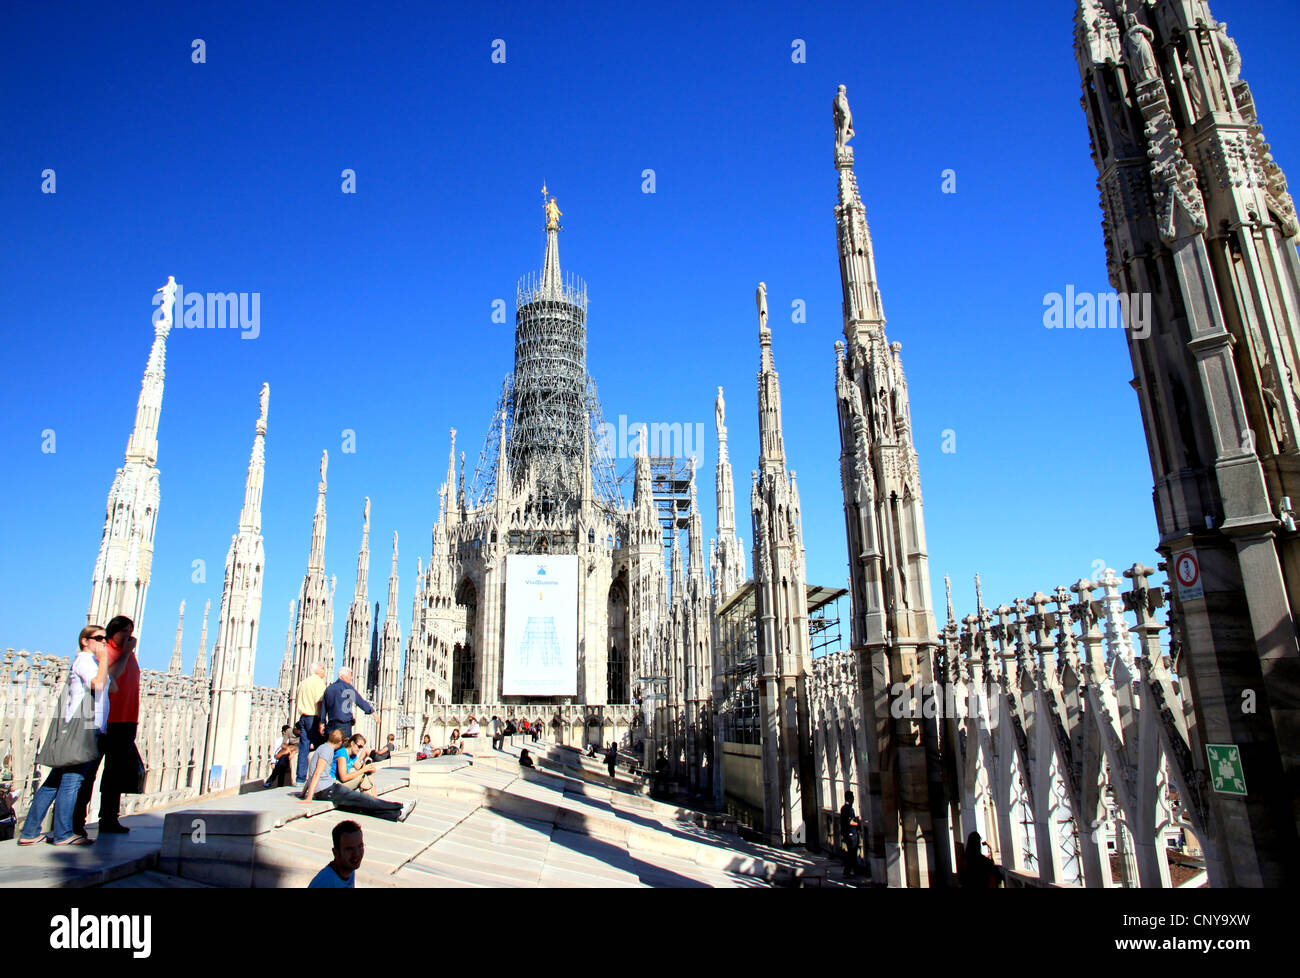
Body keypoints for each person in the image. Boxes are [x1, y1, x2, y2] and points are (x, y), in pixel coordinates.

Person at [20, 625, 107, 846]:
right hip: (82, 729)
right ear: (84, 641)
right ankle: (63, 834)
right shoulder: (86, 661)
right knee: (72, 781)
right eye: (98, 638)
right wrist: (105, 660)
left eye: (105, 639)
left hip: (80, 727)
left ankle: (30, 832)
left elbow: (110, 686)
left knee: (54, 781)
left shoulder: (91, 663)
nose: (103, 642)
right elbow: (98, 685)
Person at [73, 616, 135, 837]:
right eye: (125, 630)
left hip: (127, 719)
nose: (130, 635)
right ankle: (75, 822)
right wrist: (126, 653)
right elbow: (110, 681)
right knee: (87, 772)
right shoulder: (104, 652)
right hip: (105, 721)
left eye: (132, 630)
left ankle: (109, 819)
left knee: (114, 774)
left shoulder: (127, 652)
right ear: (113, 631)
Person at [300, 729, 413, 822]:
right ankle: (400, 807)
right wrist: (309, 797)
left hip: (328, 790)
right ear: (340, 742)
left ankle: (396, 815)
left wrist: (303, 794)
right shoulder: (328, 751)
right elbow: (316, 773)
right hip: (328, 790)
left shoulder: (322, 748)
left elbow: (311, 775)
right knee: (364, 800)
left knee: (359, 806)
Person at [294, 662, 329, 784]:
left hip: (303, 718)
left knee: (303, 749)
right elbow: (320, 702)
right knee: (322, 748)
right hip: (313, 718)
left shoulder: (303, 683)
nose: (325, 671)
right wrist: (322, 721)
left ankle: (300, 779)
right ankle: (319, 777)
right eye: (323, 668)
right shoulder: (318, 683)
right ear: (317, 671)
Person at [309, 819, 364, 888]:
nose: (357, 854)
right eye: (350, 849)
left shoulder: (350, 869)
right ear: (336, 852)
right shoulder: (327, 881)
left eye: (360, 846)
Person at [323, 667, 374, 741]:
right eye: (350, 675)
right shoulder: (347, 687)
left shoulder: (329, 688)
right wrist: (371, 711)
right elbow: (359, 700)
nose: (351, 678)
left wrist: (322, 722)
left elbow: (324, 707)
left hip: (331, 724)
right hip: (344, 725)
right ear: (343, 676)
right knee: (344, 747)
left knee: (331, 746)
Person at [839, 792, 861, 877]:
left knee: (851, 853)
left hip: (846, 833)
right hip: (851, 834)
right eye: (853, 798)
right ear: (850, 798)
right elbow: (850, 822)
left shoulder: (843, 808)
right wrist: (858, 824)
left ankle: (853, 870)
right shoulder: (849, 809)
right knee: (852, 853)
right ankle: (848, 871)